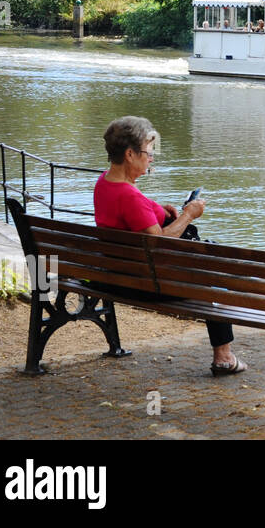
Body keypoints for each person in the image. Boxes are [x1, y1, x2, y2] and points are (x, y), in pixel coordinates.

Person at [93, 116, 246, 376]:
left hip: (117, 274)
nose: (152, 157)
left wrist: (157, 209)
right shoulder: (130, 196)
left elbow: (132, 216)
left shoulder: (104, 183)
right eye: (148, 152)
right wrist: (189, 214)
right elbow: (158, 243)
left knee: (214, 264)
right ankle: (224, 357)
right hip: (147, 284)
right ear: (130, 154)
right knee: (215, 278)